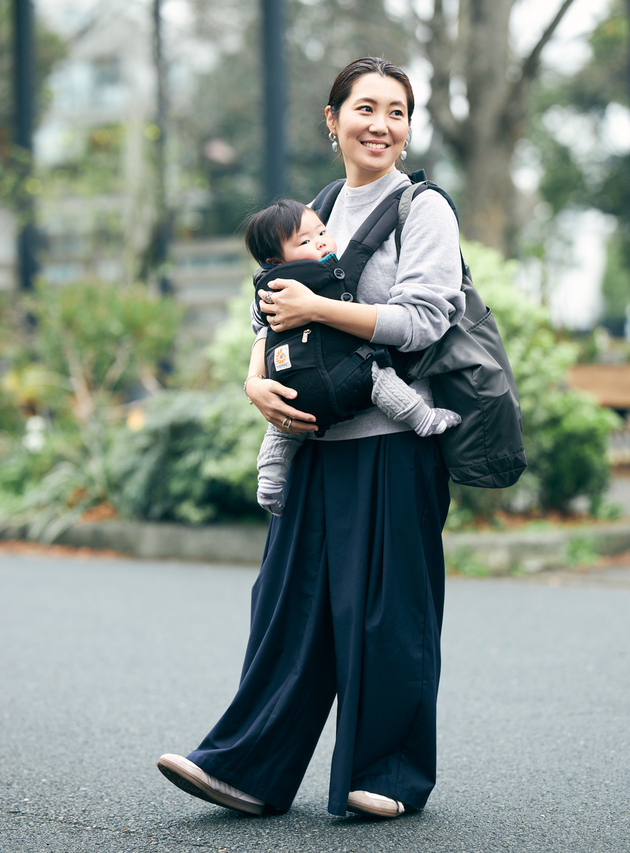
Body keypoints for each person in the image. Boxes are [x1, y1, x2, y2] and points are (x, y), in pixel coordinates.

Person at [158, 56, 465, 820]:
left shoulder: (423, 209)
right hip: (314, 445)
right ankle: (247, 767)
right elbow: (271, 315)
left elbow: (427, 318)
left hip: (393, 443)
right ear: (332, 121)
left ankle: (386, 775)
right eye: (365, 108)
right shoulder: (317, 206)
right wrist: (254, 381)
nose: (381, 125)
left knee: (386, 613)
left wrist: (325, 311)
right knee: (286, 610)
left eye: (397, 111)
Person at [244, 199, 461, 515]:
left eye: (321, 233)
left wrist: (259, 376)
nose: (319, 241)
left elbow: (260, 322)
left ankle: (268, 481)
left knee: (282, 432)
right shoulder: (314, 261)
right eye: (305, 241)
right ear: (276, 261)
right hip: (338, 378)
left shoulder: (267, 281)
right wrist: (253, 382)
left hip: (291, 385)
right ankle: (423, 418)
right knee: (377, 374)